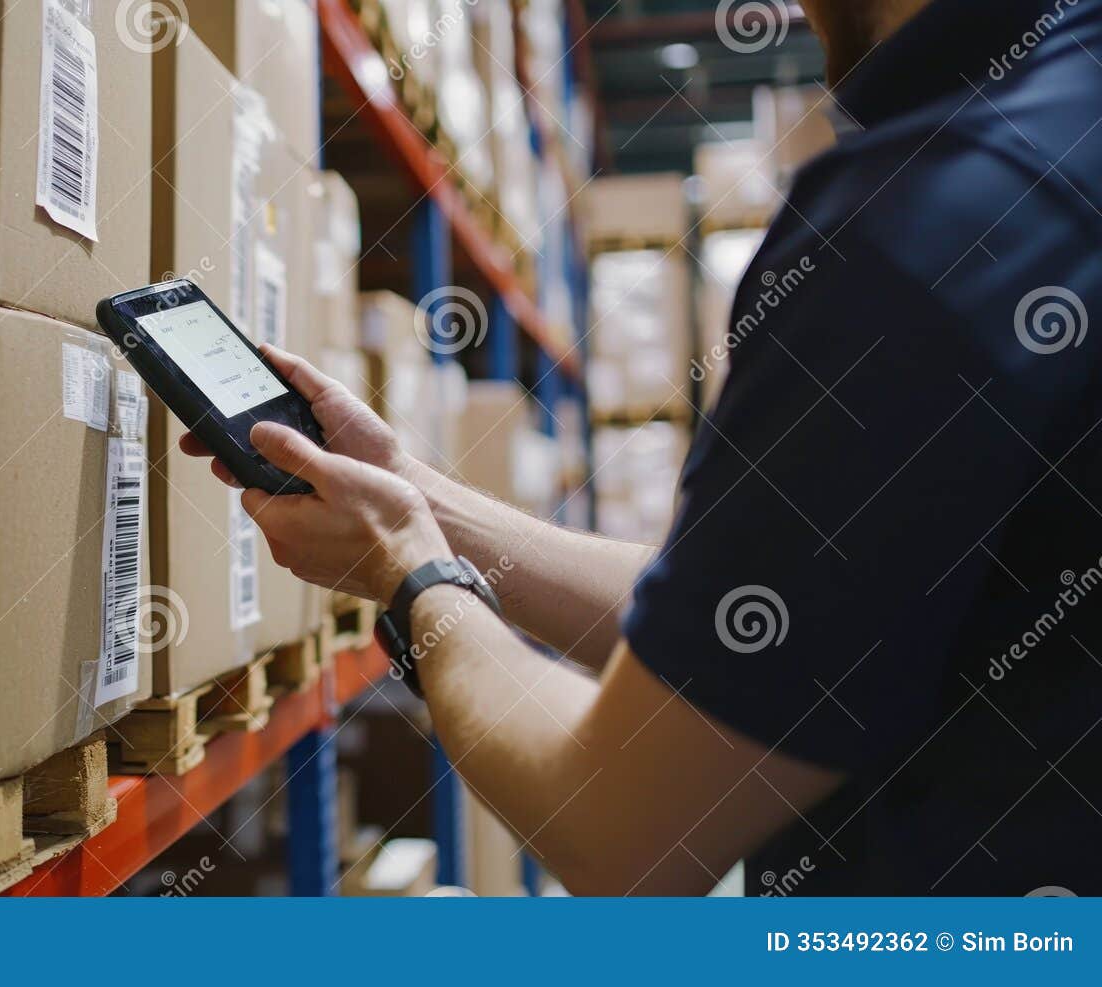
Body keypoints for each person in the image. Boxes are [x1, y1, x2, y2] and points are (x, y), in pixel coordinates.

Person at [183, 0, 1102, 895]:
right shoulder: (1057, 120)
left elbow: (617, 838)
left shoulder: (928, 227)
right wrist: (417, 496)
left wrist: (410, 572)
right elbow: (755, 627)